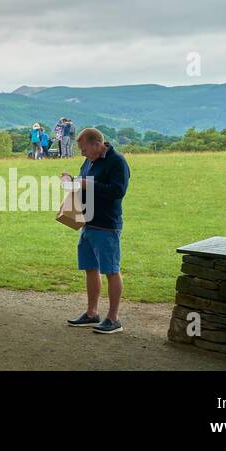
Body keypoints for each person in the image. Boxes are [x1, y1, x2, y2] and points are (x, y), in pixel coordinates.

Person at [64, 127, 130, 335]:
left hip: (106, 225)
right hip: (87, 223)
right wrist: (73, 180)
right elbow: (86, 183)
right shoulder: (89, 161)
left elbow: (118, 191)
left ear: (96, 144)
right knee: (90, 268)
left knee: (111, 270)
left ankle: (113, 319)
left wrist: (86, 185)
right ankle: (92, 313)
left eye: (83, 149)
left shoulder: (117, 162)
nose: (82, 153)